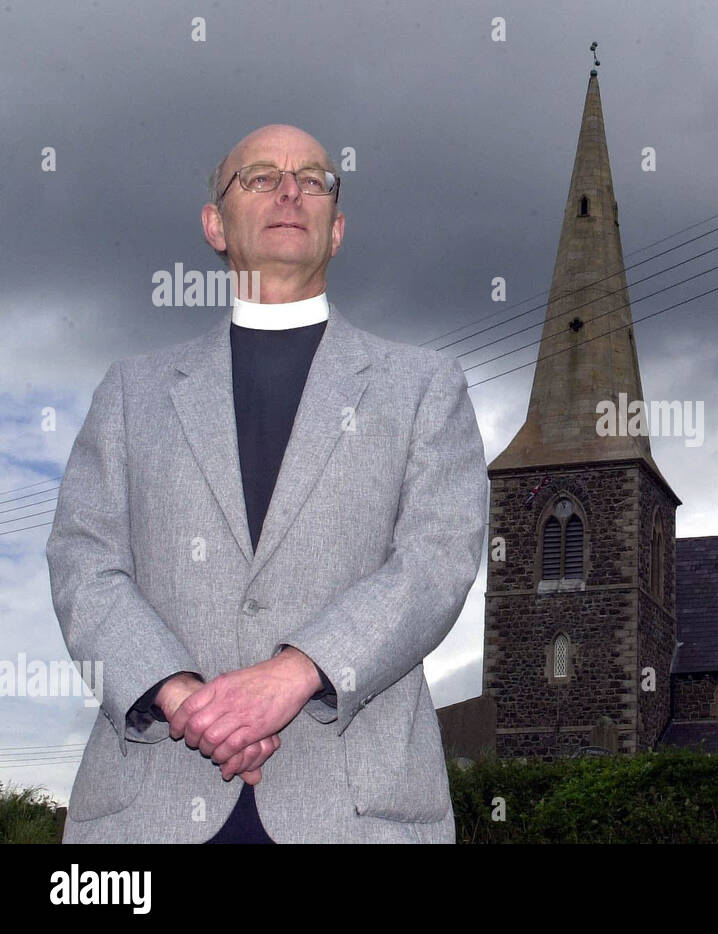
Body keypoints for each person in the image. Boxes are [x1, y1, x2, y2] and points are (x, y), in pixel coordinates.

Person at [47, 124, 488, 843]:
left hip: (358, 815)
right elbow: (82, 564)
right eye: (260, 177)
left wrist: (296, 673)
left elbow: (437, 561)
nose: (290, 190)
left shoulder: (424, 386)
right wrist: (177, 694)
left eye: (313, 179)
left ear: (336, 229)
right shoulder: (132, 392)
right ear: (215, 224)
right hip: (149, 812)